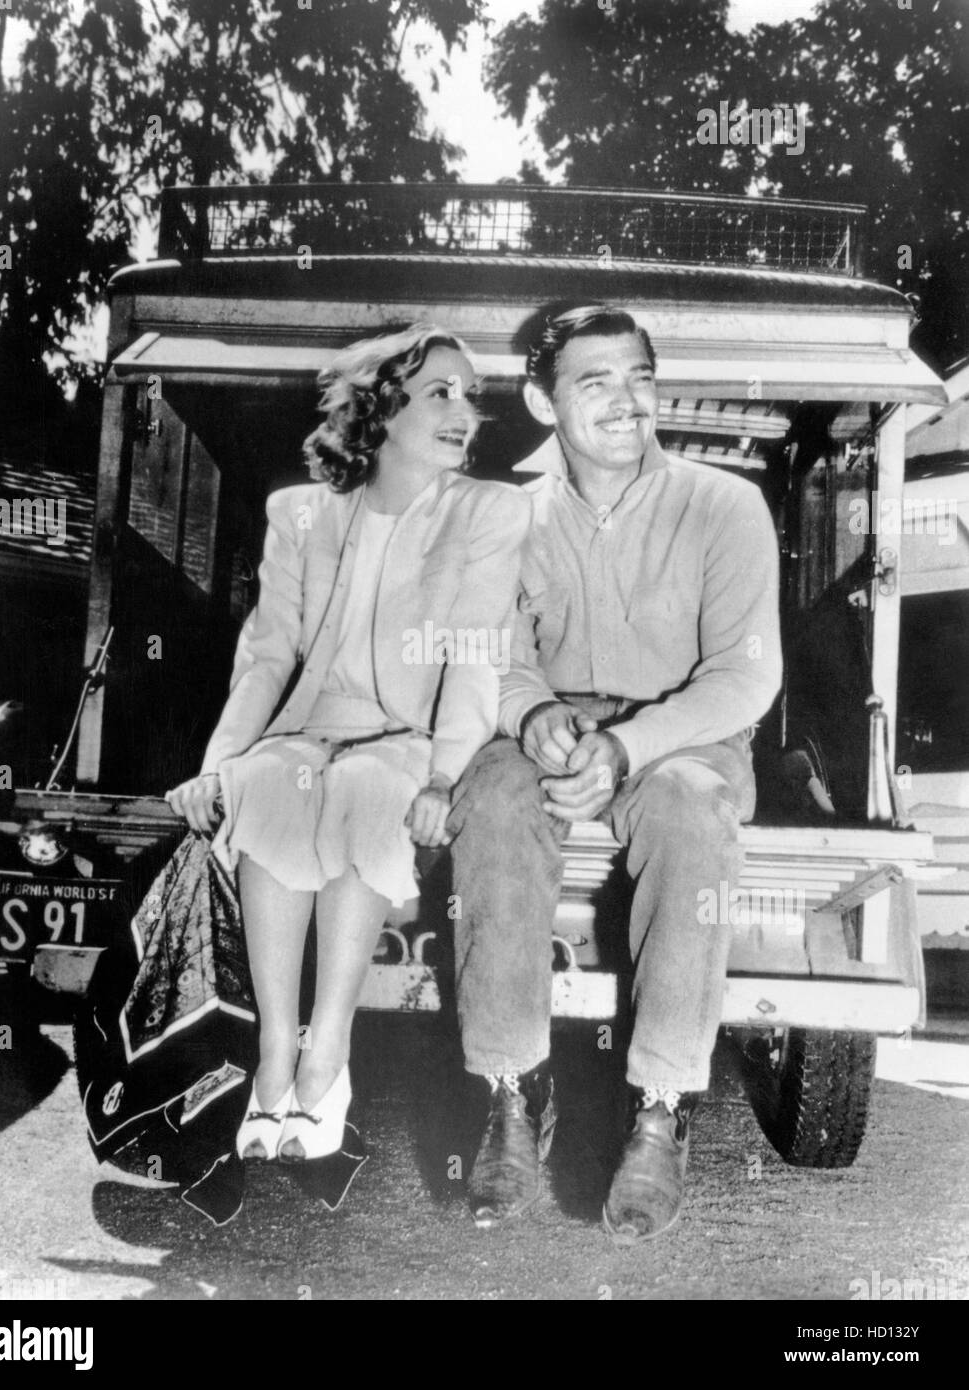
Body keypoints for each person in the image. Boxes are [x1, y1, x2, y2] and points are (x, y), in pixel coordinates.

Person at [447, 304, 783, 1242]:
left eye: (638, 376)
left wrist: (628, 747)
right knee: (496, 795)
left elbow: (746, 674)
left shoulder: (724, 506)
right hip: (553, 728)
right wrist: (534, 715)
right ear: (540, 401)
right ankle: (512, 1097)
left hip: (684, 739)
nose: (627, 400)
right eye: (595, 381)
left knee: (687, 813)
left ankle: (659, 1112)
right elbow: (490, 654)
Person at [166, 323, 528, 1168]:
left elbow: (477, 651)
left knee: (367, 791)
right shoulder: (299, 513)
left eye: (470, 395)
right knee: (269, 783)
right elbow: (267, 653)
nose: (463, 411)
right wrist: (220, 765)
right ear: (381, 403)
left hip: (406, 737)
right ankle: (274, 1057)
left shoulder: (488, 511)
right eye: (440, 391)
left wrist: (443, 776)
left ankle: (326, 1054)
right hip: (307, 724)